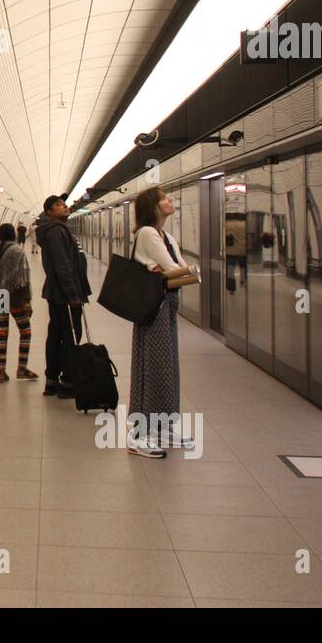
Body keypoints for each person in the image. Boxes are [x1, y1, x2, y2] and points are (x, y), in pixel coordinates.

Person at [127, 187, 200, 458]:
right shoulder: (146, 233)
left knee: (168, 365)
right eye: (165, 198)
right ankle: (138, 434)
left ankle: (161, 426)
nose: (171, 201)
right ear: (154, 206)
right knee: (153, 365)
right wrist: (175, 272)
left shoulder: (166, 236)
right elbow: (175, 270)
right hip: (152, 308)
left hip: (167, 305)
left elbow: (178, 268)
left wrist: (177, 272)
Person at [33, 194, 90, 397]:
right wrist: (72, 294)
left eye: (64, 203)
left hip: (57, 293)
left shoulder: (55, 230)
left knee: (56, 335)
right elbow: (62, 265)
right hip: (64, 295)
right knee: (71, 336)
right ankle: (67, 382)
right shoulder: (56, 232)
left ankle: (52, 381)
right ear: (49, 212)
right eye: (58, 205)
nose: (64, 206)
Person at [0, 223, 38, 383]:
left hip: (0, 296)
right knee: (25, 331)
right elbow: (23, 278)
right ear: (13, 234)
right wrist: (27, 301)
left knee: (1, 332)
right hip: (14, 297)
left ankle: (1, 371)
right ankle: (21, 368)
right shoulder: (17, 251)